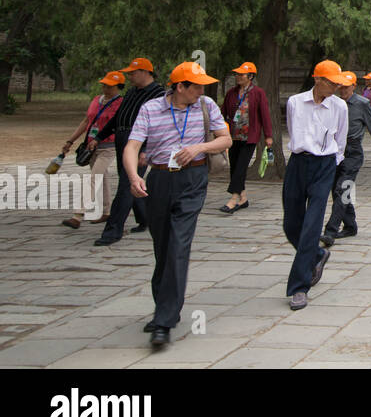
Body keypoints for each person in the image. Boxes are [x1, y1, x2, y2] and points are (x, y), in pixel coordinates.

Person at [123, 61, 231, 348]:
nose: (201, 90)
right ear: (179, 86)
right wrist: (134, 176)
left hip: (193, 179)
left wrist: (199, 147)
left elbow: (225, 139)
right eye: (196, 86)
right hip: (158, 178)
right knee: (162, 245)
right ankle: (166, 307)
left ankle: (164, 321)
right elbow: (132, 146)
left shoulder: (206, 105)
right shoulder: (150, 109)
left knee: (178, 245)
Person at [283, 59, 350, 311]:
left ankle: (299, 287)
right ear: (317, 80)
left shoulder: (340, 107)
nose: (335, 87)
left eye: (337, 83)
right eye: (331, 82)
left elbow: (340, 140)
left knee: (312, 225)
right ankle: (317, 255)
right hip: (298, 164)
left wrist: (333, 162)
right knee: (291, 223)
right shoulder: (295, 103)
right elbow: (292, 132)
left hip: (324, 166)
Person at [95, 58, 165, 246]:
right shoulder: (132, 92)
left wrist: (146, 149)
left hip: (139, 143)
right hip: (122, 140)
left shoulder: (159, 94)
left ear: (146, 72)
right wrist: (98, 137)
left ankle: (112, 230)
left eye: (133, 73)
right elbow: (119, 117)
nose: (129, 76)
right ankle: (146, 219)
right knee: (130, 182)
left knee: (126, 185)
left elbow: (158, 124)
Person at [322, 71, 371, 247]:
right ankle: (350, 225)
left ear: (354, 86)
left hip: (353, 152)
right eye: (340, 86)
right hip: (335, 151)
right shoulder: (333, 103)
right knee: (338, 190)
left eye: (346, 87)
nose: (343, 90)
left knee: (343, 189)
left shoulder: (362, 104)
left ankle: (330, 231)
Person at [57, 71, 125, 229]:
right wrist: (70, 141)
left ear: (118, 87)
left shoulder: (121, 103)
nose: (105, 88)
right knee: (102, 178)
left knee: (94, 178)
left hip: (108, 147)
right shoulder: (96, 100)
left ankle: (78, 215)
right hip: (91, 146)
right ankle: (107, 211)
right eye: (104, 84)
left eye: (110, 86)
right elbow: (86, 121)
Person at [219, 62, 272, 213]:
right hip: (233, 136)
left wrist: (268, 135)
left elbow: (265, 115)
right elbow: (223, 112)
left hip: (249, 137)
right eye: (237, 74)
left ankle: (233, 199)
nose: (238, 77)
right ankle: (243, 198)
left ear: (250, 76)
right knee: (234, 167)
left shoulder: (258, 93)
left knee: (241, 167)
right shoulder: (231, 92)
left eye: (241, 74)